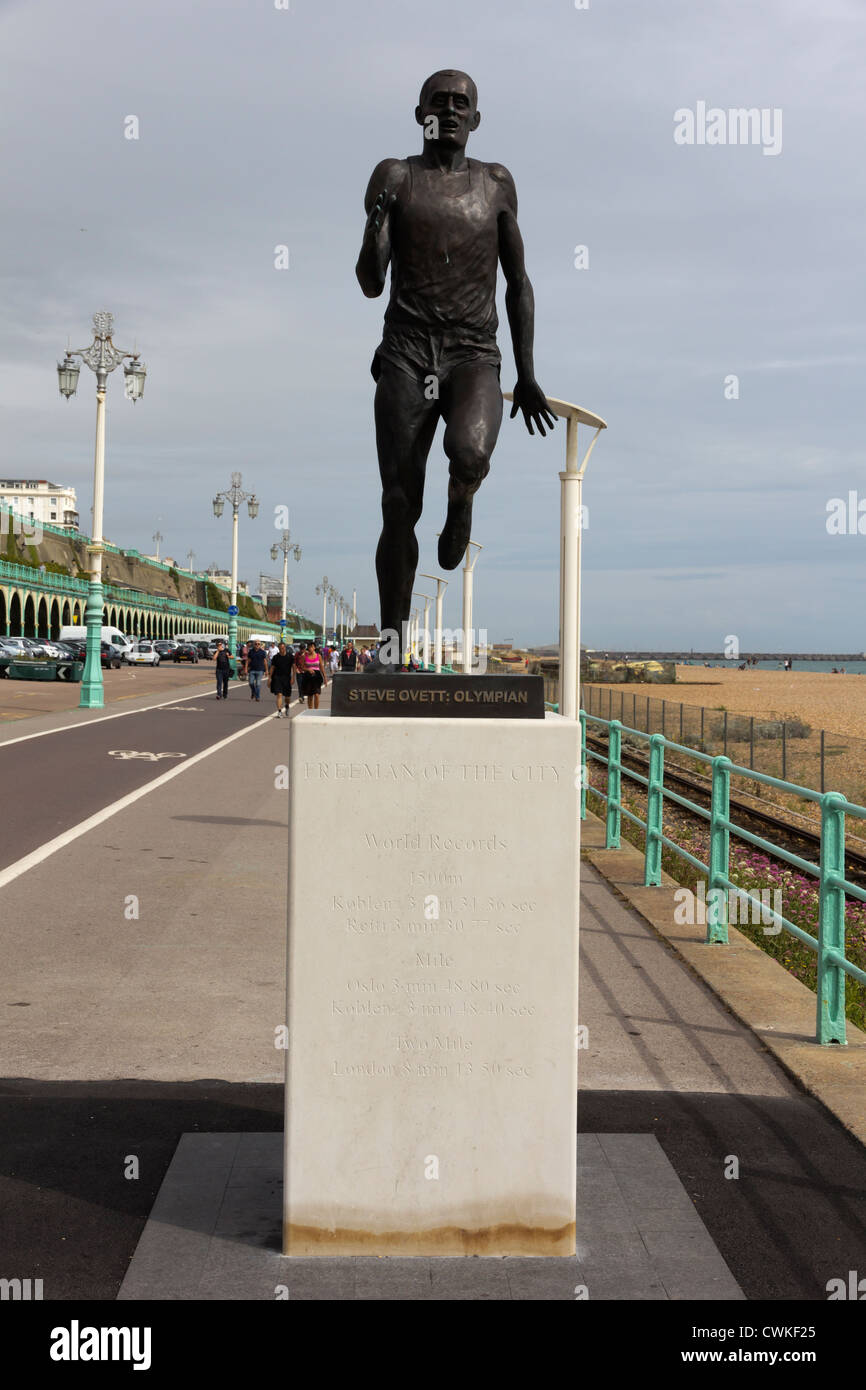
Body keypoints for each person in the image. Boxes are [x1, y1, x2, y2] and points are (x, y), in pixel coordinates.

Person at [356, 70, 554, 667]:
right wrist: (376, 221)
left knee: (470, 453)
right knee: (397, 506)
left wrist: (528, 373)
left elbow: (518, 283)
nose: (449, 108)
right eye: (438, 100)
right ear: (420, 112)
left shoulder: (496, 184)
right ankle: (391, 652)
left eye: (460, 102)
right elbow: (370, 283)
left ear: (475, 118)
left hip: (472, 353)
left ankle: (461, 499)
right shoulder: (396, 175)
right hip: (408, 350)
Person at [269, 641, 295, 717]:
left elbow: (293, 667)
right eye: (280, 648)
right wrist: (269, 678)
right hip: (277, 678)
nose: (281, 650)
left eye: (283, 648)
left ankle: (287, 706)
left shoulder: (290, 656)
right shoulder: (275, 657)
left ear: (285, 648)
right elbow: (272, 668)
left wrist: (293, 677)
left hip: (287, 678)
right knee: (279, 694)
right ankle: (279, 711)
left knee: (287, 697)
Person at [302, 641, 328, 709]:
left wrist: (325, 678)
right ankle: (310, 710)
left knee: (316, 694)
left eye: (311, 647)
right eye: (309, 647)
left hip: (317, 677)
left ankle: (316, 710)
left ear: (314, 647)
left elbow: (321, 668)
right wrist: (308, 669)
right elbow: (302, 667)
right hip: (308, 677)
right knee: (310, 696)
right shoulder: (305, 656)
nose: (310, 648)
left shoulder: (318, 656)